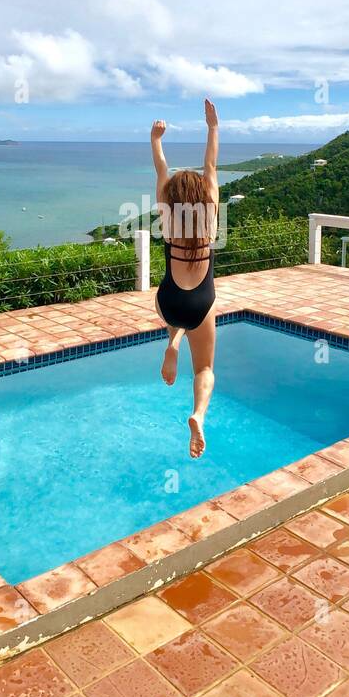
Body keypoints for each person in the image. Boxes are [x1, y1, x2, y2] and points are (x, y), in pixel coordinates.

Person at [151, 99, 219, 458]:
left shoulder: (168, 217)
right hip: (201, 303)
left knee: (168, 312)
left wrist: (156, 140)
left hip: (169, 300)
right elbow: (210, 164)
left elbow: (162, 170)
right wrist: (212, 127)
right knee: (205, 367)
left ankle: (172, 343)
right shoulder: (209, 218)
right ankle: (197, 414)